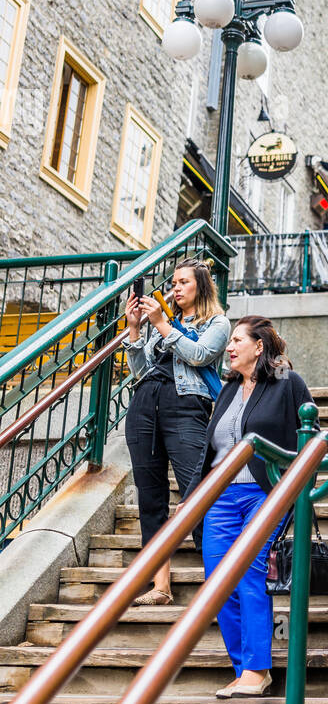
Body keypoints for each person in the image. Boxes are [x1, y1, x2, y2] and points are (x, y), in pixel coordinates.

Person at [198, 316, 315, 699]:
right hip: (221, 497)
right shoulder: (228, 390)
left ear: (259, 346)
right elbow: (212, 448)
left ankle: (256, 669)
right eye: (229, 341)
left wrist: (294, 488)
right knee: (218, 581)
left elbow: (311, 439)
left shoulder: (287, 383)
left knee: (250, 573)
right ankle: (242, 668)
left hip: (264, 493)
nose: (229, 347)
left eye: (237, 340)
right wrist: (193, 496)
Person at [124, 259, 231, 607]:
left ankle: (220, 581)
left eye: (184, 282)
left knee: (198, 493)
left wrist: (162, 324)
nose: (176, 288)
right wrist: (136, 330)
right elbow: (140, 371)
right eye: (174, 283)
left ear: (201, 285)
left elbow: (199, 356)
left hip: (186, 405)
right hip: (145, 404)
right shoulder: (163, 323)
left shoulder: (217, 323)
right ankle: (160, 586)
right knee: (150, 499)